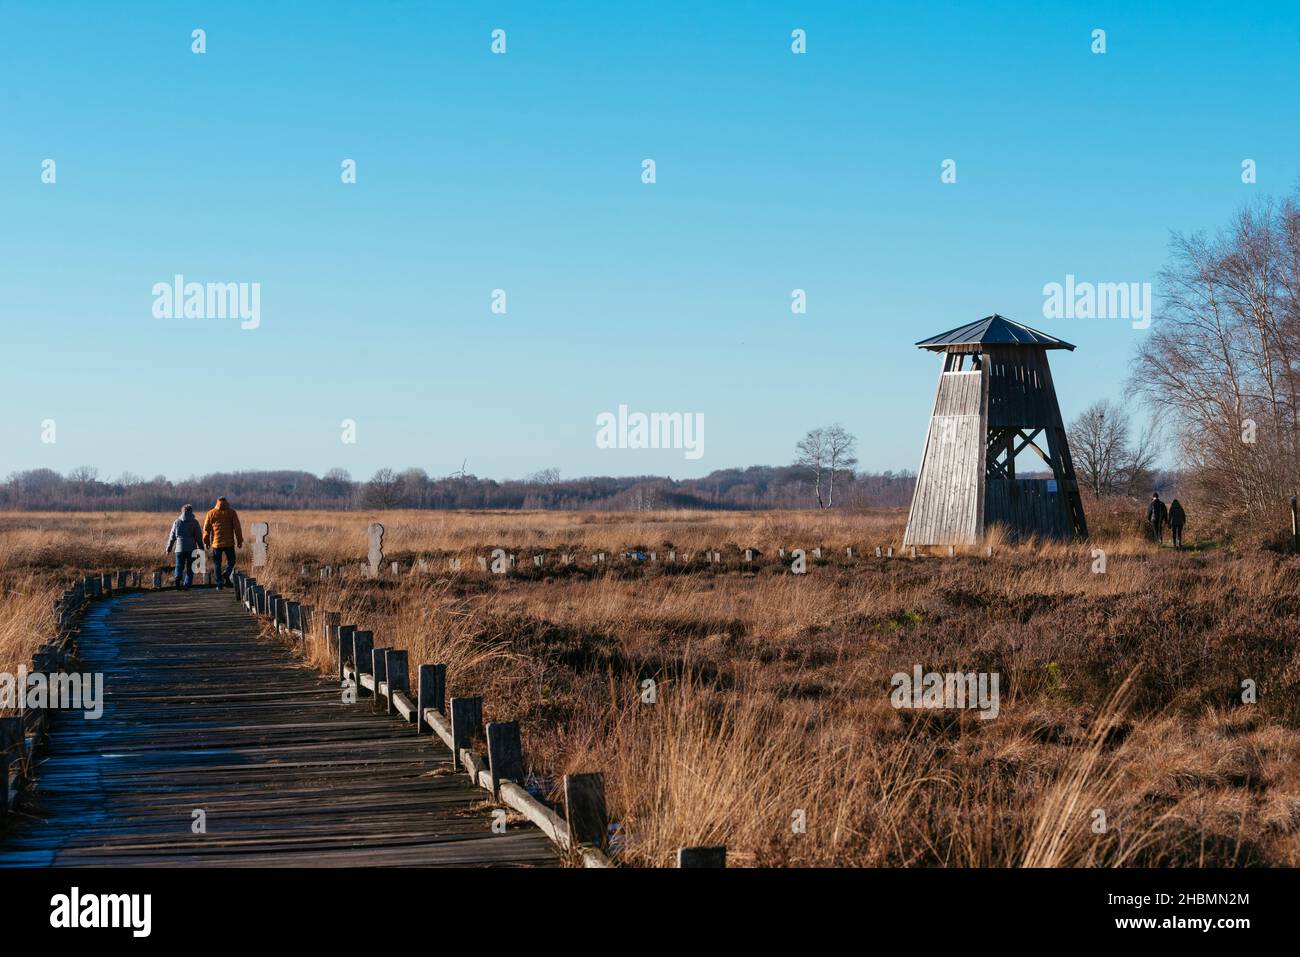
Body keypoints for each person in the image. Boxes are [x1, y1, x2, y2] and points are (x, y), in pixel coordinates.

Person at [203, 496, 244, 590]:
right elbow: (237, 528)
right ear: (227, 502)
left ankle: (219, 584)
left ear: (217, 502)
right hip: (229, 543)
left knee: (217, 563)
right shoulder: (232, 512)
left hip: (216, 544)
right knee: (232, 561)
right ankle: (226, 573)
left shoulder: (211, 513)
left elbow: (206, 529)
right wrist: (239, 540)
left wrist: (206, 541)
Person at [166, 504, 203, 590]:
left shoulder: (177, 521)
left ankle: (178, 576)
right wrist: (201, 548)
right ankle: (187, 585)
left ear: (182, 511)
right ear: (191, 511)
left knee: (179, 565)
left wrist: (169, 548)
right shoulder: (195, 522)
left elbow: (172, 537)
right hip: (191, 549)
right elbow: (198, 537)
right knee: (190, 569)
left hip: (179, 549)